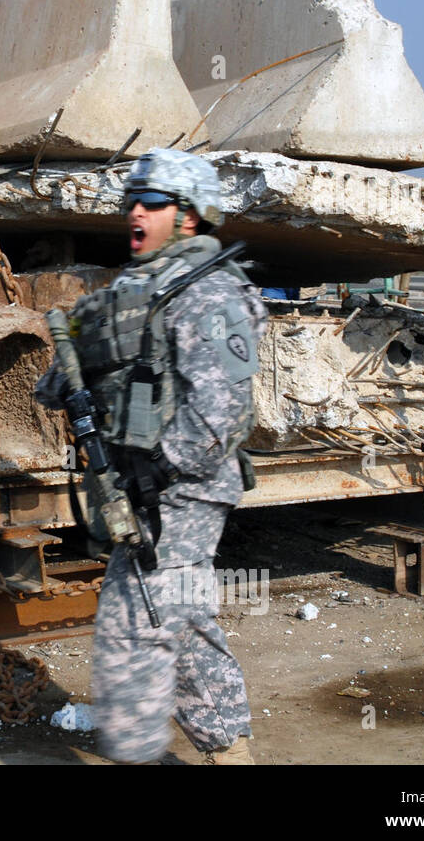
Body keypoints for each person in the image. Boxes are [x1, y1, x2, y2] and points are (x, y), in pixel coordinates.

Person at [34, 148, 268, 764]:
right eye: (132, 201)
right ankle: (229, 751)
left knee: (139, 621)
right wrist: (78, 360)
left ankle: (141, 749)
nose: (134, 211)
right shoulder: (135, 291)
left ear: (188, 216)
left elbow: (224, 412)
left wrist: (156, 470)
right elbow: (60, 382)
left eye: (153, 203)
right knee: (176, 619)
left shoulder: (210, 292)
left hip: (184, 489)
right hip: (140, 487)